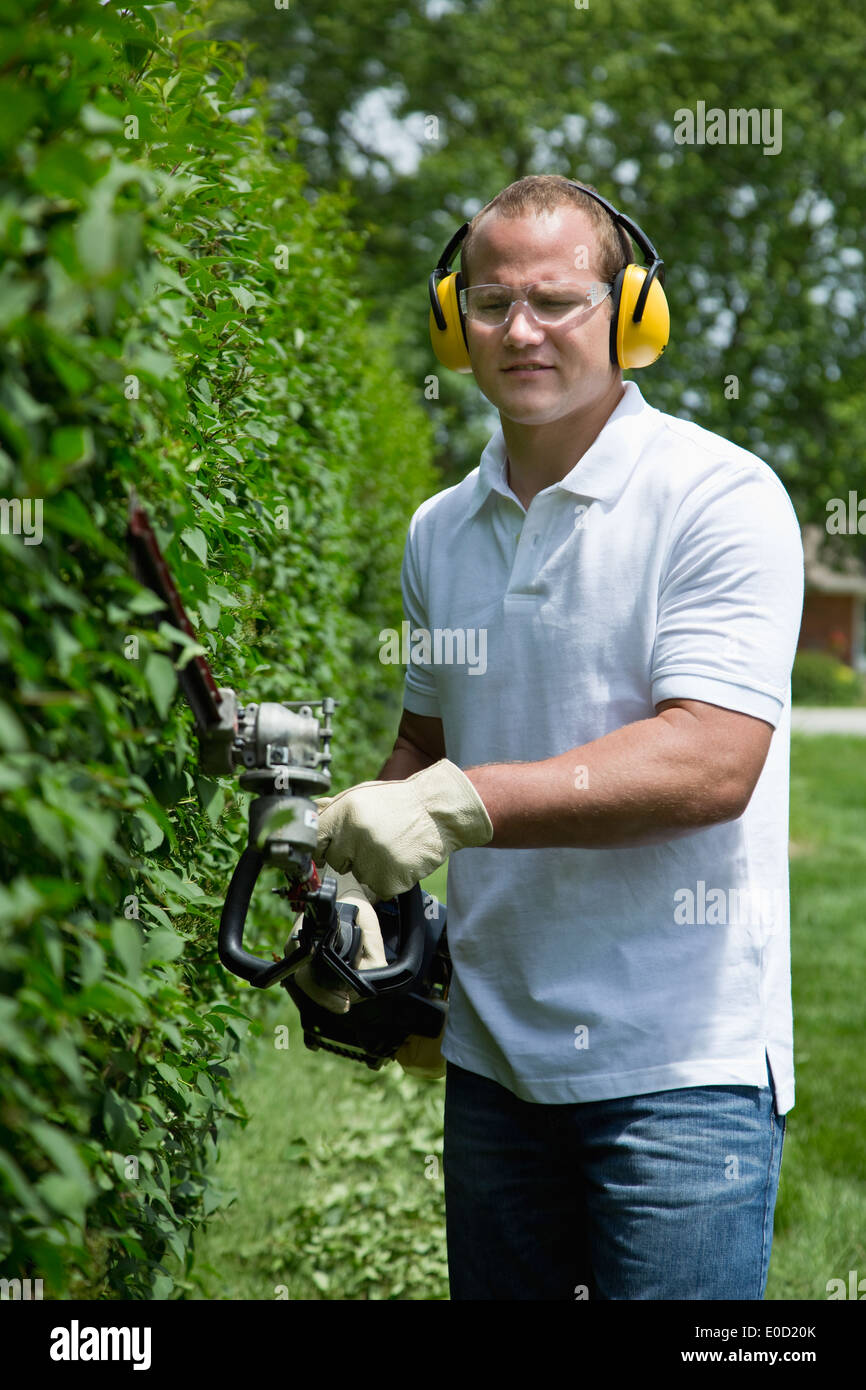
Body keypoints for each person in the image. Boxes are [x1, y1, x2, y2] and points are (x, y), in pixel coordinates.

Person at [307, 175, 805, 1300]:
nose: (519, 329)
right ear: (453, 322)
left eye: (556, 300)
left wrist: (452, 804)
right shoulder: (440, 530)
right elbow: (424, 744)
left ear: (630, 316)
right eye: (488, 302)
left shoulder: (716, 497)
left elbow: (709, 761)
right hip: (490, 1064)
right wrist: (349, 882)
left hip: (679, 1075)